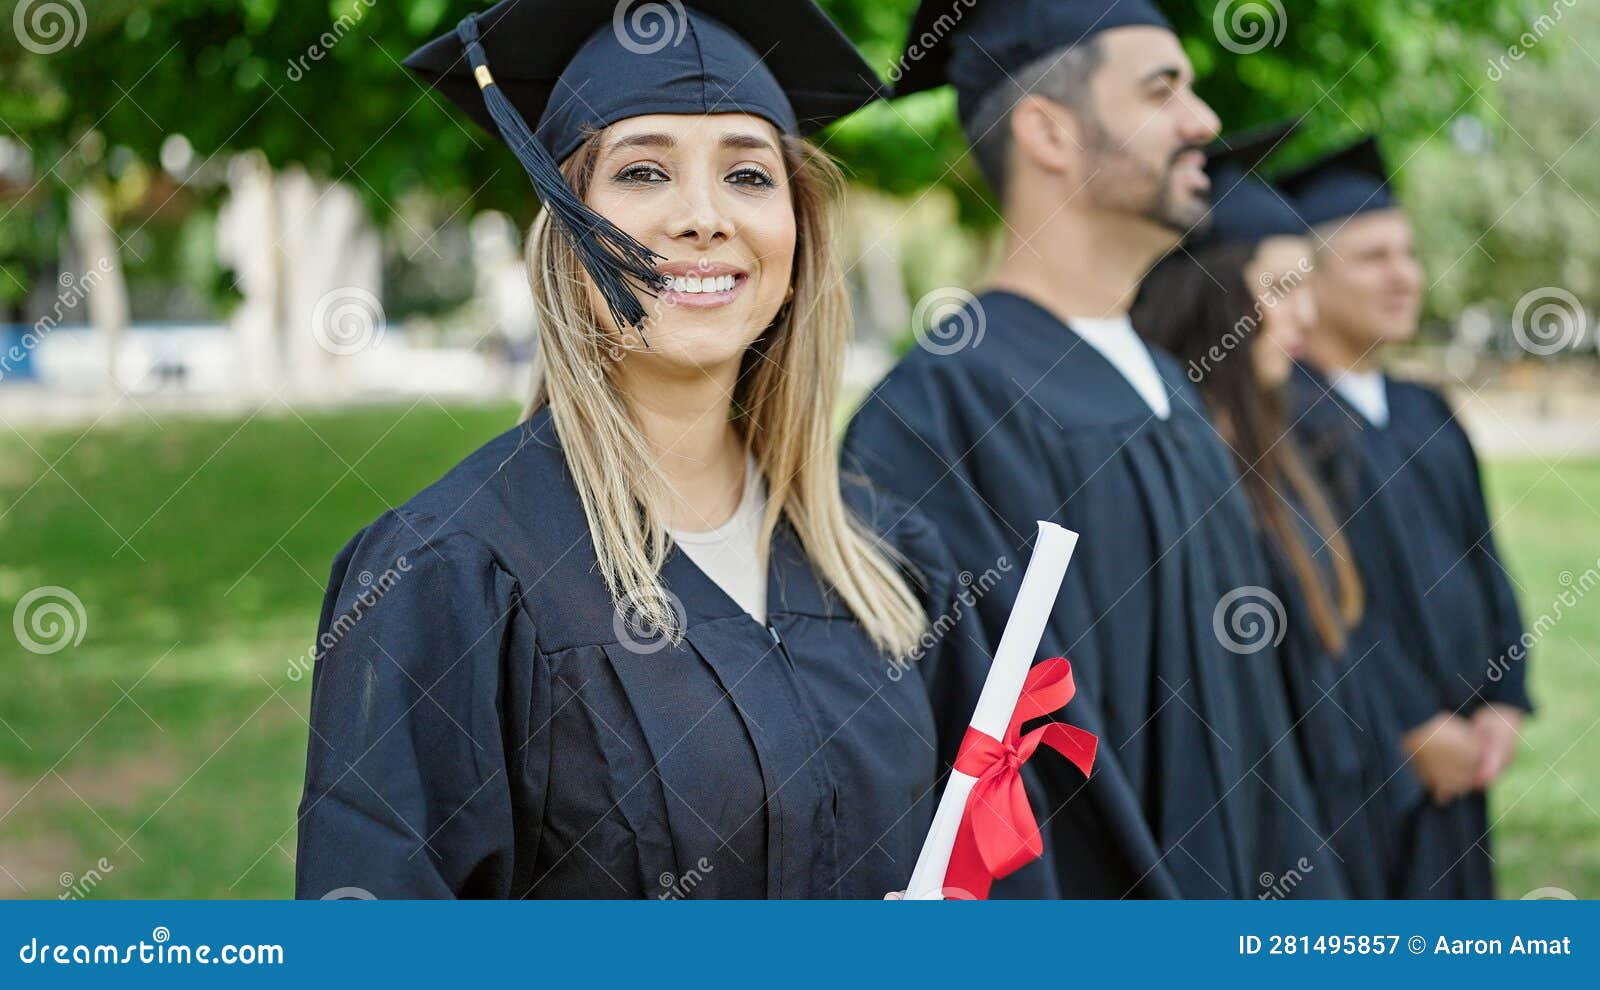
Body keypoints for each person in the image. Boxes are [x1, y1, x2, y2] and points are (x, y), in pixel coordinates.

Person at [295, 0, 1030, 900]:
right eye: (643, 171)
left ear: (798, 235)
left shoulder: (885, 562)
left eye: (750, 177)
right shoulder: (452, 573)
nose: (703, 217)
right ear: (565, 220)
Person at [845, 0, 1344, 898]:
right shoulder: (946, 409)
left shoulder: (1160, 381)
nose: (1206, 122)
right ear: (1049, 131)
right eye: (1165, 91)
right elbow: (990, 787)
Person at [1133, 123, 1423, 897]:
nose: (1302, 315)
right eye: (1281, 289)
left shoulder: (1284, 445)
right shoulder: (1172, 463)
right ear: (1218, 289)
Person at [1281, 137, 1532, 897]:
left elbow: (1485, 561)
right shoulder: (1282, 428)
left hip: (1465, 762)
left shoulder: (1426, 410)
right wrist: (1413, 727)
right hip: (1360, 770)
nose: (1405, 277)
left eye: (1409, 254)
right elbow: (1306, 602)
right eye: (1371, 258)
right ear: (1305, 281)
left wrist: (1505, 699)